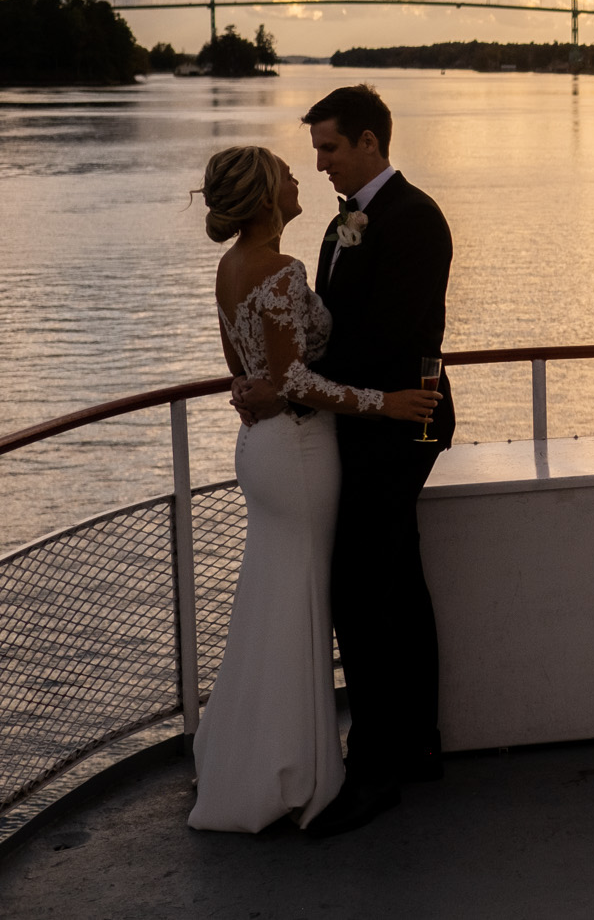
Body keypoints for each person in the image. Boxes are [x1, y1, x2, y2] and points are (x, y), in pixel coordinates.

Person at [190, 146, 438, 833]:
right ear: (269, 196)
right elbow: (296, 379)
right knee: (299, 602)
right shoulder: (278, 270)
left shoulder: (230, 266)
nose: (304, 174)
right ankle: (288, 770)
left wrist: (251, 388)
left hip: (262, 448)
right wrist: (385, 401)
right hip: (298, 450)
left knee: (271, 599)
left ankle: (248, 755)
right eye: (289, 172)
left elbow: (246, 366)